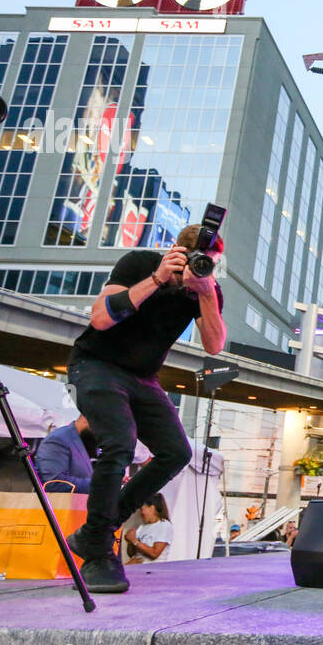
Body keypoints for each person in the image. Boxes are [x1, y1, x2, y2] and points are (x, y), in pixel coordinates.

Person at [65, 224, 226, 593]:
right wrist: (157, 278)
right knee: (120, 442)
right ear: (174, 252)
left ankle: (94, 531)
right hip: (96, 364)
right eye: (192, 261)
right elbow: (101, 318)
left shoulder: (205, 288)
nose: (198, 268)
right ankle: (99, 552)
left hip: (143, 378)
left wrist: (204, 294)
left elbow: (215, 345)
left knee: (177, 452)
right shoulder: (141, 263)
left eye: (208, 263)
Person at [33, 414, 97, 494]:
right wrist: (101, 485)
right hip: (59, 505)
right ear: (86, 418)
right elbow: (55, 483)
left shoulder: (85, 441)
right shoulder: (57, 440)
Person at [124, 494, 172, 564]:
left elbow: (154, 554)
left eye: (142, 509)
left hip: (153, 571)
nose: (140, 513)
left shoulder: (164, 525)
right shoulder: (142, 526)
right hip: (138, 569)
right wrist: (129, 542)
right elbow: (132, 553)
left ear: (152, 508)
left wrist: (134, 540)